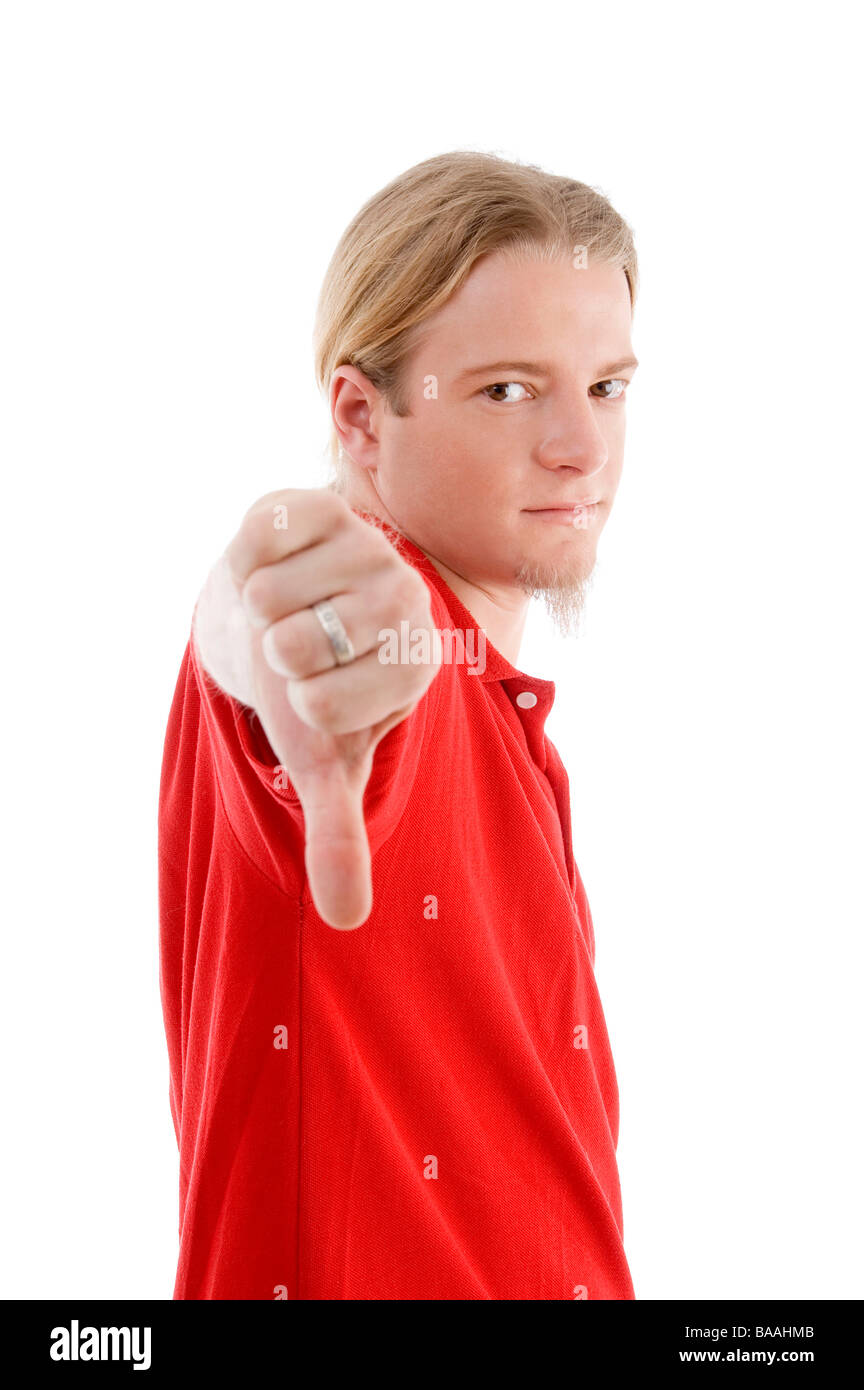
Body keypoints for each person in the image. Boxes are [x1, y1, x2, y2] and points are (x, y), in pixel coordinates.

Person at [158, 150, 640, 1300]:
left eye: (609, 385)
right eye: (508, 390)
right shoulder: (388, 657)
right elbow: (265, 635)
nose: (583, 446)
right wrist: (271, 626)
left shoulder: (507, 723)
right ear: (360, 418)